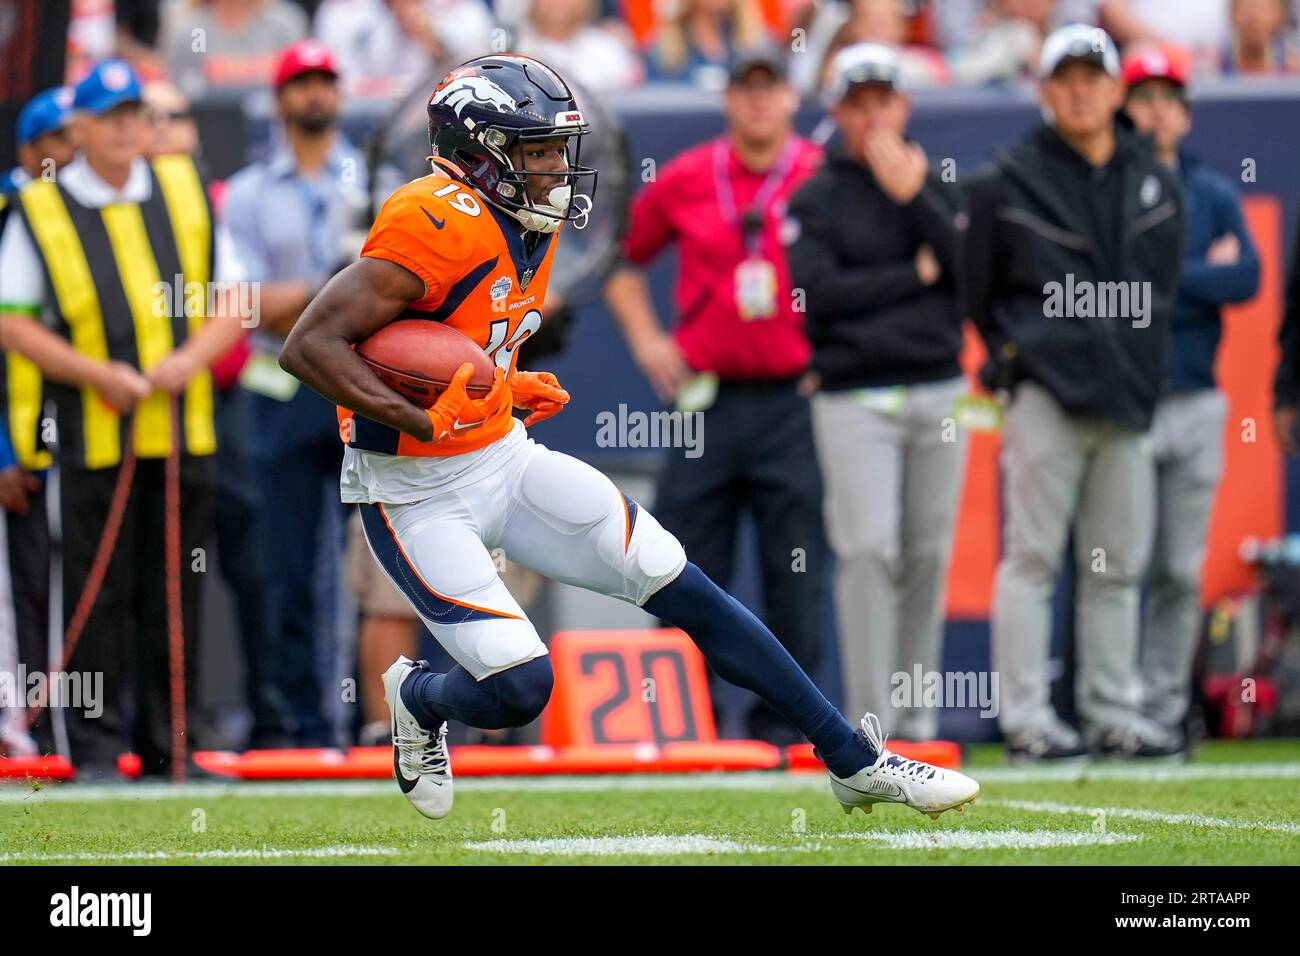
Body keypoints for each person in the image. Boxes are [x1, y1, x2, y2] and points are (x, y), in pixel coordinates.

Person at [279, 52, 979, 822]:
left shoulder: (524, 220)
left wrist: (501, 389)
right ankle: (418, 698)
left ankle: (854, 758)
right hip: (410, 491)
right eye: (536, 150)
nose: (554, 169)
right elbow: (310, 346)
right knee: (520, 687)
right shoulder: (433, 220)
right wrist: (423, 415)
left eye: (556, 150)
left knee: (681, 581)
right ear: (480, 151)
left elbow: (458, 349)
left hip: (498, 457)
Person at [0, 59, 247, 778]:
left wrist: (188, 359)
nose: (126, 128)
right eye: (110, 117)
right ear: (79, 129)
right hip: (85, 434)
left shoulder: (185, 187)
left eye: (135, 114)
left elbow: (236, 299)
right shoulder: (40, 206)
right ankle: (99, 748)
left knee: (175, 588)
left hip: (181, 429)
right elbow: (13, 324)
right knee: (93, 592)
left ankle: (175, 746)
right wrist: (97, 375)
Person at [962, 25, 1185, 761]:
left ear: (1116, 89)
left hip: (1128, 398)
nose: (1082, 89)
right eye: (1067, 77)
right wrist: (1021, 355)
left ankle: (1112, 713)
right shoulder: (1008, 178)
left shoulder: (1153, 176)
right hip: (1047, 397)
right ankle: (1027, 720)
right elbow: (979, 292)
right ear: (1045, 89)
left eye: (1095, 76)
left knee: (1117, 566)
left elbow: (1162, 292)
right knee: (1033, 560)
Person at [605, 49, 828, 745]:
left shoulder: (819, 177)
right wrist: (647, 341)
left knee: (794, 568)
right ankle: (687, 719)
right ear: (729, 99)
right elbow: (620, 258)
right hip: (706, 399)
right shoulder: (691, 176)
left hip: (793, 397)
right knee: (684, 561)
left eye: (771, 88)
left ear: (791, 99)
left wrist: (840, 352)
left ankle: (789, 729)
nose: (759, 101)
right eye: (746, 88)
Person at [786, 43, 966, 741]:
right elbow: (819, 297)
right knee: (867, 550)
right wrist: (913, 277)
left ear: (903, 105)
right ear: (837, 112)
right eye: (856, 103)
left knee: (926, 554)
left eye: (882, 101)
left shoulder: (937, 184)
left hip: (937, 389)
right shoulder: (817, 193)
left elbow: (966, 273)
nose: (871, 116)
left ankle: (917, 720)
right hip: (854, 394)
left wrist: (915, 202)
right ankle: (872, 725)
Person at [222, 40, 369, 748]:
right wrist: (334, 290)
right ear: (280, 100)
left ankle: (373, 721)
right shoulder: (248, 193)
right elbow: (244, 301)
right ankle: (295, 724)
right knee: (283, 565)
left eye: (324, 82)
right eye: (301, 83)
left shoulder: (375, 180)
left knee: (376, 562)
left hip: (361, 384)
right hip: (280, 388)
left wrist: (311, 299)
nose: (314, 95)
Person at [1122, 48, 1260, 754]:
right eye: (1142, 97)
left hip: (1197, 398)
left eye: (1167, 98)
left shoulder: (1210, 189)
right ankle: (1113, 709)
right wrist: (1190, 275)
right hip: (1126, 403)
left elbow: (1248, 276)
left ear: (1185, 111)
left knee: (1179, 566)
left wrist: (1166, 279)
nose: (1155, 111)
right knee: (1115, 562)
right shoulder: (1109, 185)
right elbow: (1115, 283)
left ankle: (1164, 709)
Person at [0, 86, 75, 759]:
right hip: (20, 441)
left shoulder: (73, 210)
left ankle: (41, 726)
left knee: (47, 588)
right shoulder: (14, 210)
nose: (70, 151)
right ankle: (27, 726)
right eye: (57, 140)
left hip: (57, 440)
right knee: (23, 596)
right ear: (29, 149)